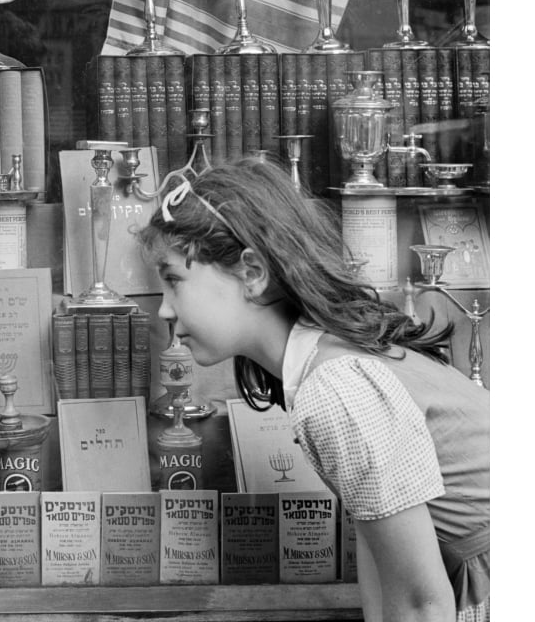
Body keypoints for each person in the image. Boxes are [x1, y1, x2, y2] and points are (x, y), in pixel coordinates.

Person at [138, 158, 489, 622]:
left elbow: (422, 603)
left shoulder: (336, 386)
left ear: (253, 272)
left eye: (173, 281)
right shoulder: (325, 360)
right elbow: (378, 547)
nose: (163, 310)